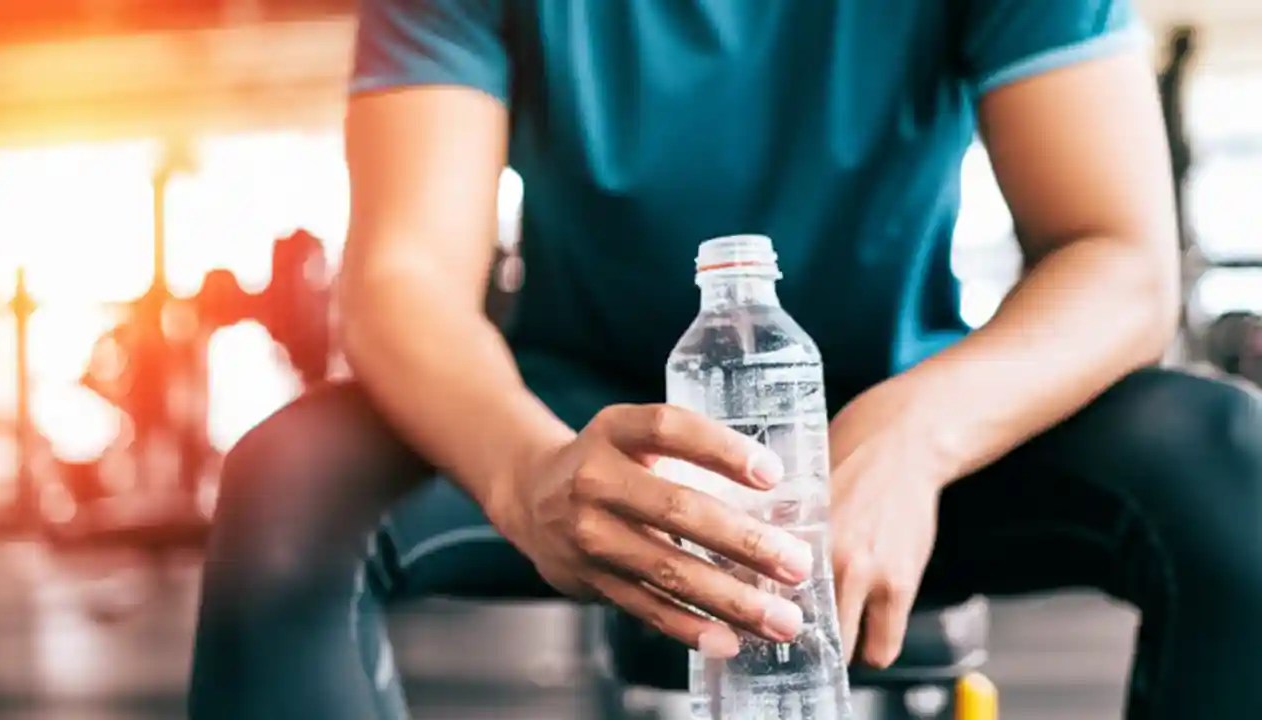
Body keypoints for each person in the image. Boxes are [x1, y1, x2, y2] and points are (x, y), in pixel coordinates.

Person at [189, 2, 1262, 718]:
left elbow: (1117, 255)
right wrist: (525, 472)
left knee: (1224, 461)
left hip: (898, 431)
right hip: (583, 439)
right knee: (291, 483)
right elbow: (401, 279)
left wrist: (919, 434)